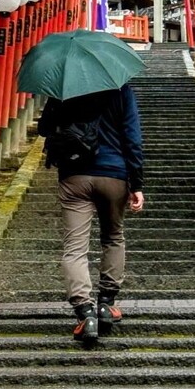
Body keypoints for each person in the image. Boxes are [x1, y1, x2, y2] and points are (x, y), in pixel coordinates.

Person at [36, 81, 144, 346]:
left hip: (75, 175)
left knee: (74, 247)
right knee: (113, 237)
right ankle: (107, 304)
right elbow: (132, 136)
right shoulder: (121, 90)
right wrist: (137, 183)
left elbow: (44, 129)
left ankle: (85, 312)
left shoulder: (63, 88)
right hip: (114, 174)